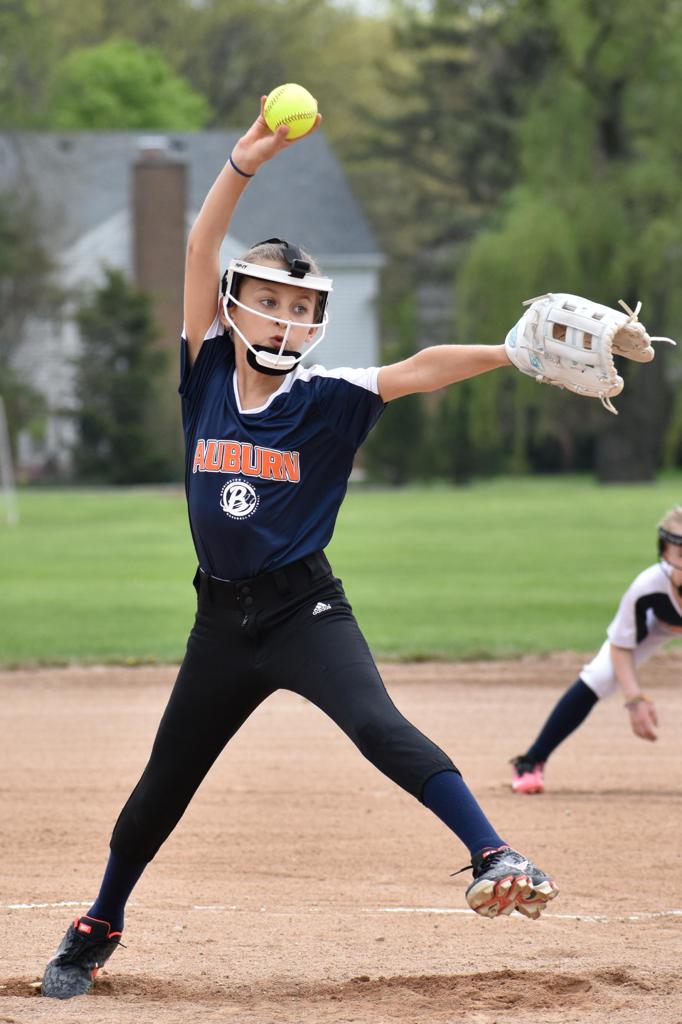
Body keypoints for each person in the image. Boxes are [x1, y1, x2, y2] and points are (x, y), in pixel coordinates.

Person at [41, 95, 558, 1000]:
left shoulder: (329, 398)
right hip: (220, 623)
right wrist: (244, 160)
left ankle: (494, 851)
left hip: (304, 611)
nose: (283, 320)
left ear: (314, 321)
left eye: (299, 307)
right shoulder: (205, 372)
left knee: (377, 726)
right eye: (269, 302)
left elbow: (419, 367)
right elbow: (199, 250)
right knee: (164, 781)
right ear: (236, 307)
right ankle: (101, 921)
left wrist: (512, 354)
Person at [511, 505, 682, 794]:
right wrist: (635, 699)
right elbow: (621, 646)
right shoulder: (648, 587)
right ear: (665, 553)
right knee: (600, 676)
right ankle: (531, 761)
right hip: (658, 624)